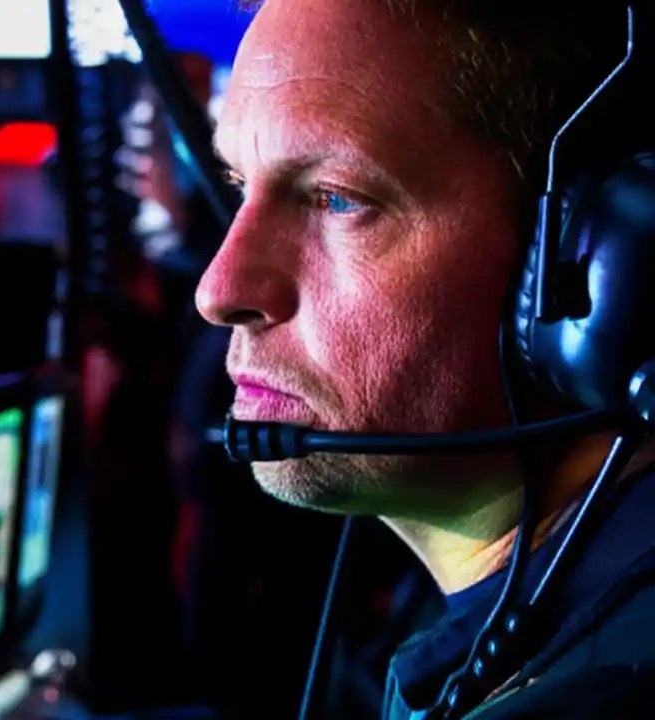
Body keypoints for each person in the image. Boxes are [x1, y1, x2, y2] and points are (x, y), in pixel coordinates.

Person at [195, 0, 655, 716]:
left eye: (335, 200)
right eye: (238, 187)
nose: (219, 291)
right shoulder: (503, 618)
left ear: (588, 254)